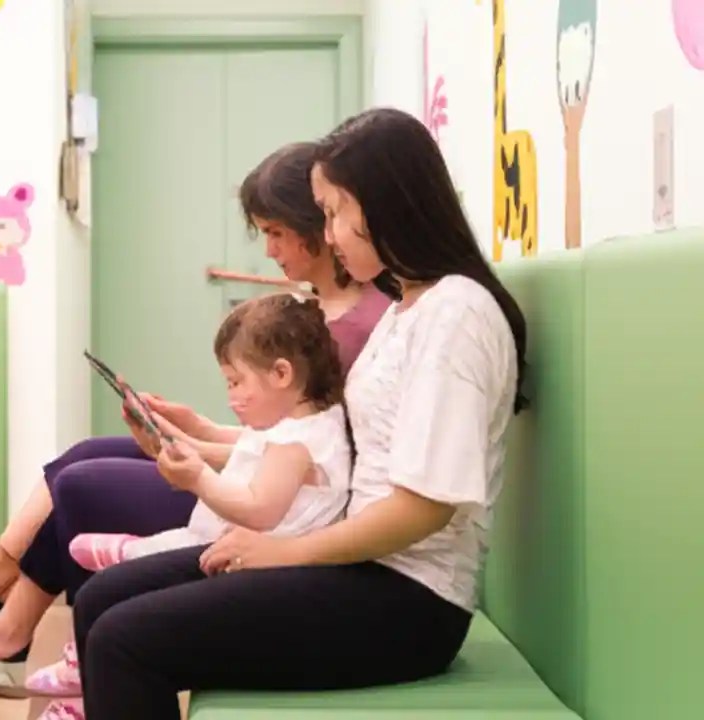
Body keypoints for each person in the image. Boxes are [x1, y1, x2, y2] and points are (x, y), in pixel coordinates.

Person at [66, 106, 529, 720]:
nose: (328, 235)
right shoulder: (407, 308)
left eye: (334, 213)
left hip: (411, 602)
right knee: (100, 598)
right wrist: (203, 445)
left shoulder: (457, 314)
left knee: (124, 641)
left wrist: (285, 551)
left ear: (384, 204)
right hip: (362, 566)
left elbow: (425, 508)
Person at [0, 142, 392, 694]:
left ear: (314, 224)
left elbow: (304, 457)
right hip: (264, 476)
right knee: (85, 454)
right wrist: (194, 429)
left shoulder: (356, 330)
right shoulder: (317, 307)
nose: (268, 250)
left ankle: (5, 628)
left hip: (272, 505)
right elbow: (281, 440)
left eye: (275, 232)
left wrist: (198, 456)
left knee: (81, 484)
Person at [23, 293, 352, 706]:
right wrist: (182, 436)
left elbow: (258, 510)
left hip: (260, 566)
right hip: (241, 549)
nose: (231, 397)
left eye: (236, 382)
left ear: (281, 373)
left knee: (122, 602)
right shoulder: (305, 423)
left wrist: (197, 478)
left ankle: (131, 560)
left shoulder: (296, 440)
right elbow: (247, 451)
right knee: (109, 593)